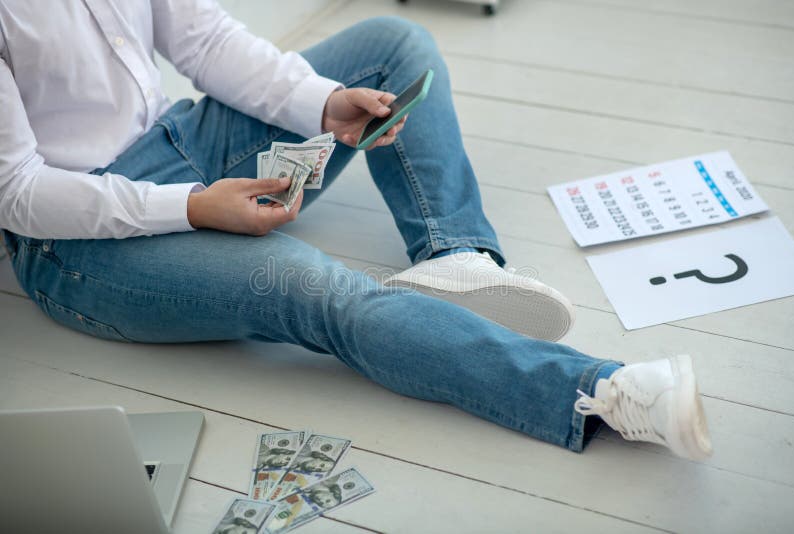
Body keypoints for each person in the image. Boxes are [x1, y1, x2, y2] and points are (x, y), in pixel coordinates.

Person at [0, 0, 712, 460]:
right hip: (78, 244)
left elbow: (205, 40)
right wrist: (194, 207)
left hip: (179, 139)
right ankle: (600, 391)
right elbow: (18, 193)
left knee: (394, 43)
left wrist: (324, 102)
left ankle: (455, 256)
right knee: (314, 287)